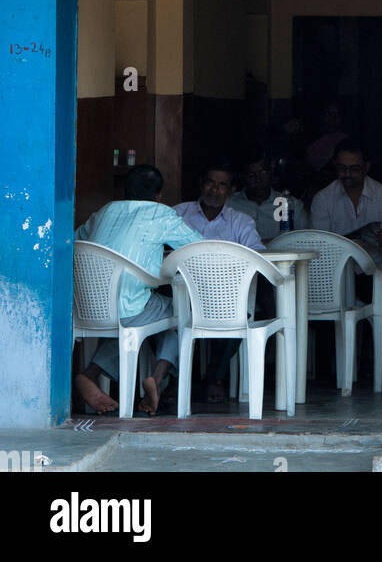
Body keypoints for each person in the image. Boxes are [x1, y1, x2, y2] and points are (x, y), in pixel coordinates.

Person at [74, 164, 203, 416]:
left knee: (130, 319)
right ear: (158, 196)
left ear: (125, 191)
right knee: (179, 311)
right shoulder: (161, 214)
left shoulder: (104, 212)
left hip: (88, 306)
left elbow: (75, 239)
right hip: (130, 308)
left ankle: (90, 373)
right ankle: (156, 377)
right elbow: (199, 248)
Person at [174, 162, 265, 402]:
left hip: (226, 297)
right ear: (201, 184)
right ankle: (177, 381)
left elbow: (257, 255)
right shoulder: (177, 214)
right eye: (210, 182)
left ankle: (214, 378)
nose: (215, 190)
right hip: (183, 294)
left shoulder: (241, 222)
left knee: (237, 318)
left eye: (222, 185)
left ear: (232, 190)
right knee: (164, 320)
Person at [310, 138, 382, 341]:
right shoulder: (323, 199)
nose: (347, 175)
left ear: (366, 168)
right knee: (316, 304)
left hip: (376, 271)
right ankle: (331, 363)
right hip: (336, 275)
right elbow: (319, 251)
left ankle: (373, 357)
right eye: (342, 168)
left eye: (354, 169)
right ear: (334, 167)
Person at [227, 150, 308, 243]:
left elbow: (305, 240)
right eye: (251, 175)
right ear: (243, 178)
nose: (258, 180)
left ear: (271, 173)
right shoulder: (230, 204)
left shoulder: (290, 204)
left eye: (263, 173)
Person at [304, 102, 348, 173]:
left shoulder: (343, 140)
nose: (333, 118)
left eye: (337, 115)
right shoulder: (312, 136)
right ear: (323, 116)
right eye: (329, 114)